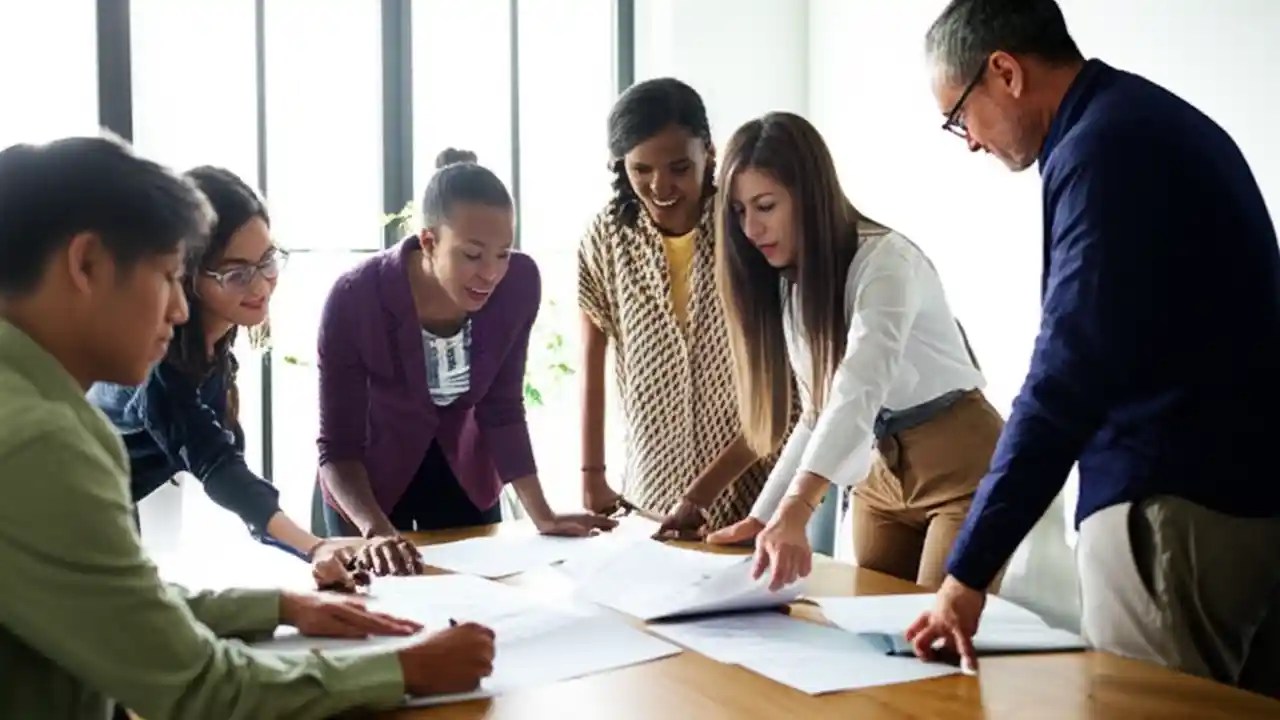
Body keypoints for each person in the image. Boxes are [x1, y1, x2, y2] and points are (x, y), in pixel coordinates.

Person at [0, 134, 496, 718]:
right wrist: (404, 670)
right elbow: (196, 687)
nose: (179, 307)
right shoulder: (40, 442)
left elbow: (111, 604)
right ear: (85, 265)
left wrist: (277, 607)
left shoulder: (35, 408)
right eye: (167, 275)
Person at [908, 0, 1280, 696]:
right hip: (1243, 500)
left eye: (960, 116)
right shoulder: (1145, 120)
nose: (971, 142)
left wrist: (967, 573)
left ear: (1005, 72)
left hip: (1171, 515)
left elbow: (1066, 372)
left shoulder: (1103, 149)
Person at [705, 112, 1002, 593]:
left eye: (765, 206)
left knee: (934, 627)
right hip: (878, 476)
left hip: (960, 463)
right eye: (739, 212)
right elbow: (817, 412)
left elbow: (860, 385)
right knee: (870, 625)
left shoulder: (887, 262)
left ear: (809, 196)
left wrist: (798, 507)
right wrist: (764, 517)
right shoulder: (793, 282)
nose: (751, 229)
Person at [87, 166, 393, 584]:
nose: (261, 286)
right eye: (237, 274)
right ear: (188, 276)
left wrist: (309, 546)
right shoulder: (158, 357)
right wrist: (314, 545)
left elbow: (234, 470)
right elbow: (216, 464)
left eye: (267, 261)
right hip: (61, 504)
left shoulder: (214, 350)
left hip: (109, 504)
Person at [318, 148, 614, 568]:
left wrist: (543, 515)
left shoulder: (519, 284)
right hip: (370, 482)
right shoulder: (354, 297)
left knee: (479, 593)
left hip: (464, 471)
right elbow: (338, 446)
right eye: (472, 255)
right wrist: (377, 533)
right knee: (381, 597)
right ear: (429, 242)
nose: (490, 273)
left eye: (503, 253)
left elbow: (502, 407)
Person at [579, 77, 783, 537]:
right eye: (641, 169)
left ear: (709, 152)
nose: (660, 186)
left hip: (754, 493)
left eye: (679, 167)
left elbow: (782, 389)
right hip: (649, 493)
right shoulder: (605, 238)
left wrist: (701, 495)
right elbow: (592, 354)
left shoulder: (747, 228)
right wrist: (592, 474)